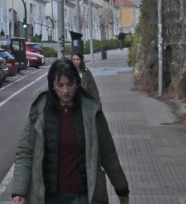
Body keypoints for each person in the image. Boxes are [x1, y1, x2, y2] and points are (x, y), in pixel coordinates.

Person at [12, 59, 129, 204]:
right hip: (48, 196)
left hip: (83, 195)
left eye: (70, 84)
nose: (65, 91)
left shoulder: (91, 110)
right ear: (52, 85)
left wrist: (121, 188)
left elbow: (108, 152)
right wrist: (19, 191)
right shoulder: (40, 108)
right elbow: (25, 152)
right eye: (60, 85)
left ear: (77, 84)